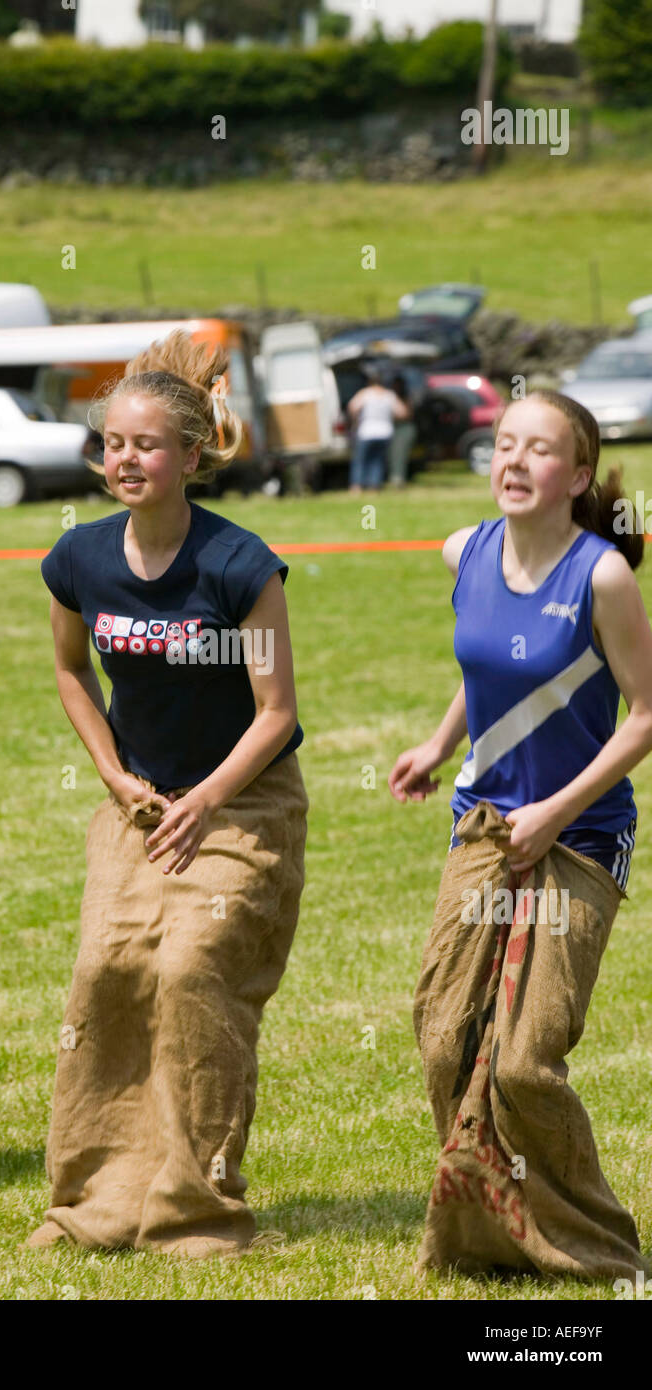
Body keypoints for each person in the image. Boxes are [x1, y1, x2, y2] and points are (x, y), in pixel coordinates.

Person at [28, 329, 308, 1258]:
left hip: (242, 802)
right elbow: (72, 672)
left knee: (192, 972)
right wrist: (112, 772)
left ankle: (196, 1208)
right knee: (105, 975)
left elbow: (274, 712)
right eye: (113, 442)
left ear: (192, 455)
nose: (125, 458)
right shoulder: (81, 560)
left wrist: (206, 801)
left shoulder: (240, 567)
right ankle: (94, 1202)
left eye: (146, 444)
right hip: (139, 803)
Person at [389, 389, 652, 1280]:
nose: (515, 460)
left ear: (576, 476)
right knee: (444, 1038)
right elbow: (494, 668)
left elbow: (644, 717)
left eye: (540, 450)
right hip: (485, 826)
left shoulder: (602, 575)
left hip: (581, 838)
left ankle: (594, 1248)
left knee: (526, 1062)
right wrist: (437, 743)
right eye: (505, 443)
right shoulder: (466, 552)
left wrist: (559, 812)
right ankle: (492, 1229)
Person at [347, 367, 409, 493]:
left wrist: (356, 420)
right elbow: (403, 412)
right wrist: (390, 417)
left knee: (360, 460)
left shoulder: (365, 393)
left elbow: (352, 407)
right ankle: (374, 487)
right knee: (377, 461)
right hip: (385, 432)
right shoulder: (389, 395)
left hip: (367, 431)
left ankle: (356, 486)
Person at [388, 372, 417, 487]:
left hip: (403, 427)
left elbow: (406, 414)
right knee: (391, 455)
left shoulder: (405, 398)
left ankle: (398, 479)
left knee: (399, 455)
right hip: (393, 428)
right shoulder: (392, 396)